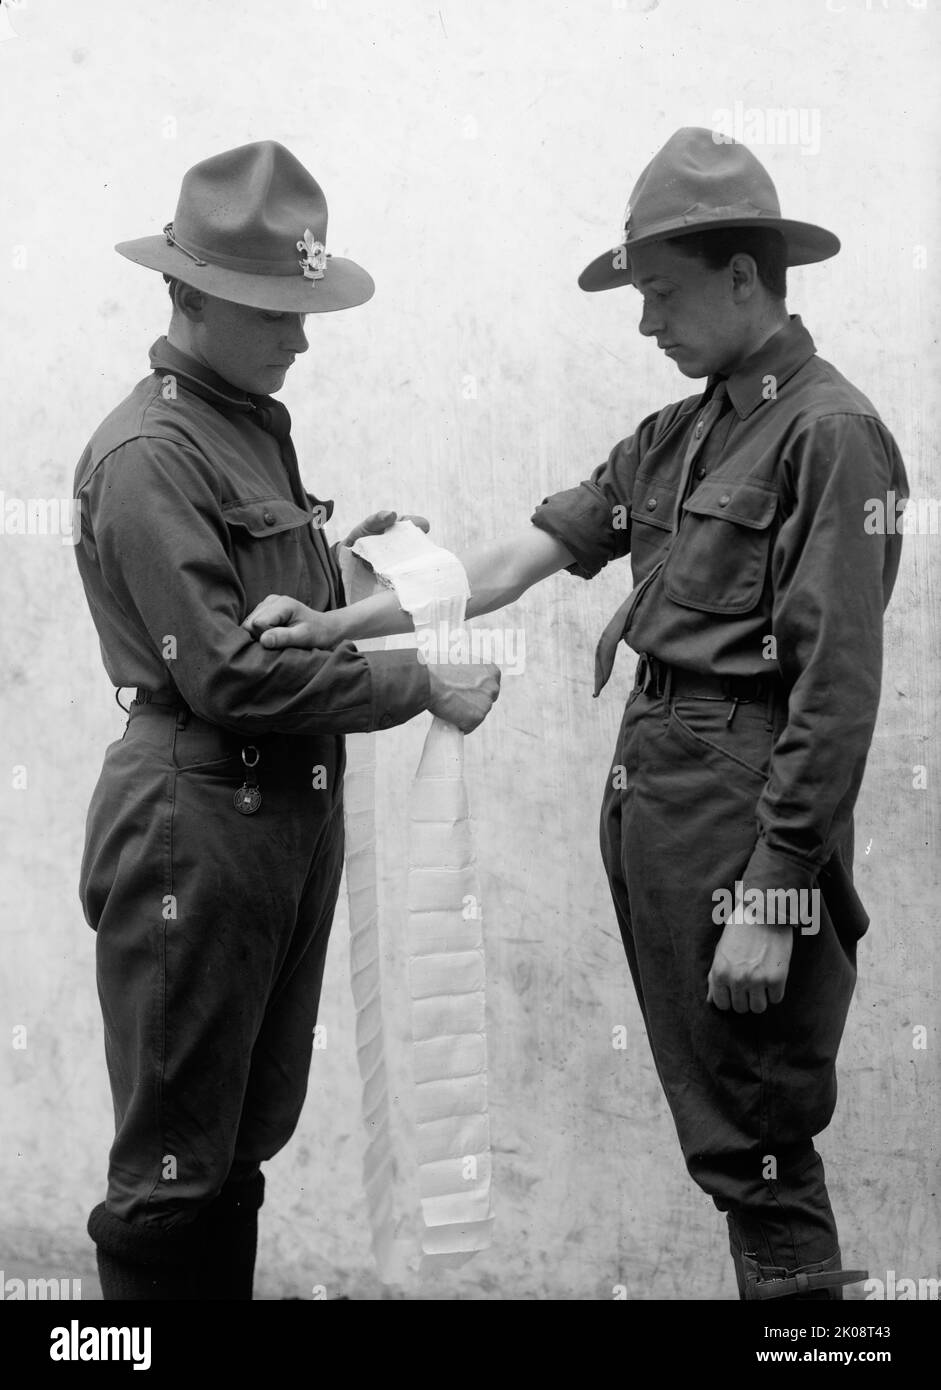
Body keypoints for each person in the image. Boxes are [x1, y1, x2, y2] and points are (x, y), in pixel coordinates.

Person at [244, 128, 908, 1300]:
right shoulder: (681, 431)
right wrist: (338, 624)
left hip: (739, 811)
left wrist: (776, 888)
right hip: (659, 797)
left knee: (755, 1134)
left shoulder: (827, 433)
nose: (645, 323)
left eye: (660, 294)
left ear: (742, 277)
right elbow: (514, 558)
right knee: (723, 1125)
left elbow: (834, 688)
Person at [73, 139, 500, 1300]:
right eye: (274, 311)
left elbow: (275, 620)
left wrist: (357, 575)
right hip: (195, 826)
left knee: (239, 1141)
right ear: (190, 295)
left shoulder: (245, 417)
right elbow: (228, 677)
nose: (300, 336)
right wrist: (420, 680)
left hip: (276, 823)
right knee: (172, 1166)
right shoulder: (152, 451)